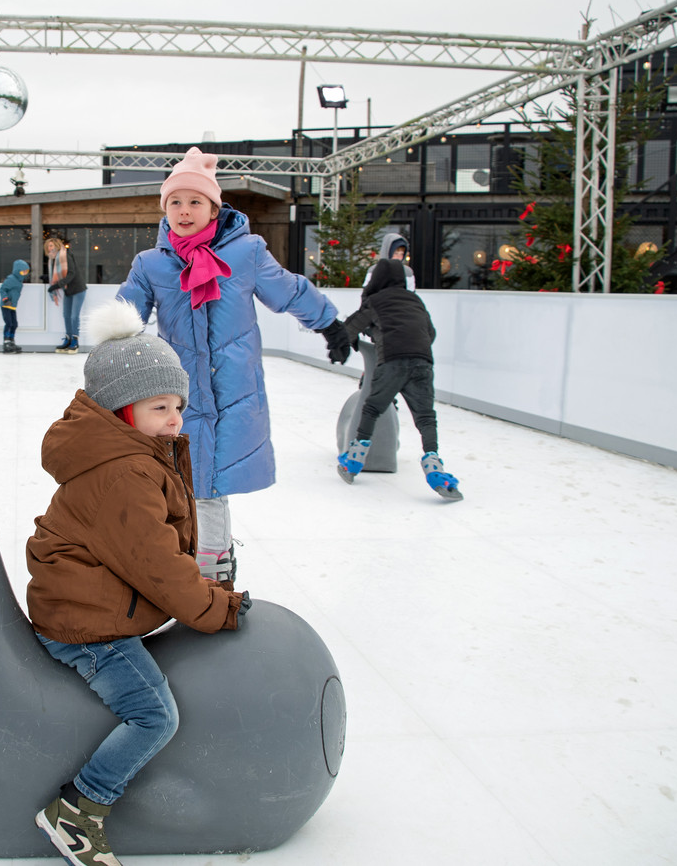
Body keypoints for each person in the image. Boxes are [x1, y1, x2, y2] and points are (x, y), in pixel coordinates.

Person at [27, 299, 250, 866]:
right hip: (86, 627)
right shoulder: (123, 472)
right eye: (159, 407)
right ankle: (79, 809)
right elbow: (157, 565)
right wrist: (215, 608)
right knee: (155, 715)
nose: (175, 419)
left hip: (91, 605)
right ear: (121, 410)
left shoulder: (134, 456)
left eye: (178, 406)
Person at [118, 147, 352, 581]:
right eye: (175, 202)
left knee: (207, 483)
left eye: (195, 202)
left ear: (214, 208)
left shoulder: (246, 252)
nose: (184, 211)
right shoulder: (151, 264)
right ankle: (192, 563)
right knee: (182, 480)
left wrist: (329, 324)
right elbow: (125, 316)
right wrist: (110, 354)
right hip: (180, 394)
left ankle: (214, 569)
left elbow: (287, 290)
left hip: (233, 391)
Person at [336, 257, 462, 500]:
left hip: (392, 361)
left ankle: (353, 461)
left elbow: (349, 328)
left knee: (372, 408)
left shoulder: (375, 300)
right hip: (423, 362)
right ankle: (435, 469)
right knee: (425, 417)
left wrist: (353, 342)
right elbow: (430, 333)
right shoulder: (415, 300)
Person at [46, 236, 87, 353]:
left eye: (51, 245)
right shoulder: (55, 259)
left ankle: (75, 340)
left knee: (74, 316)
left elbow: (71, 274)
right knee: (66, 315)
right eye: (48, 246)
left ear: (57, 245)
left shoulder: (65, 256)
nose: (49, 248)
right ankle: (68, 339)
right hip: (68, 290)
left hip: (78, 289)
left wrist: (56, 286)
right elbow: (58, 274)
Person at [0, 258, 30, 353]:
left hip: (12, 306)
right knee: (9, 323)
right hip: (6, 305)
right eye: (23, 271)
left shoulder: (19, 281)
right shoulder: (11, 279)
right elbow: (2, 289)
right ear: (17, 271)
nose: (24, 273)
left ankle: (11, 340)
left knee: (14, 324)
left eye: (26, 271)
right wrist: (5, 299)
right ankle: (6, 342)